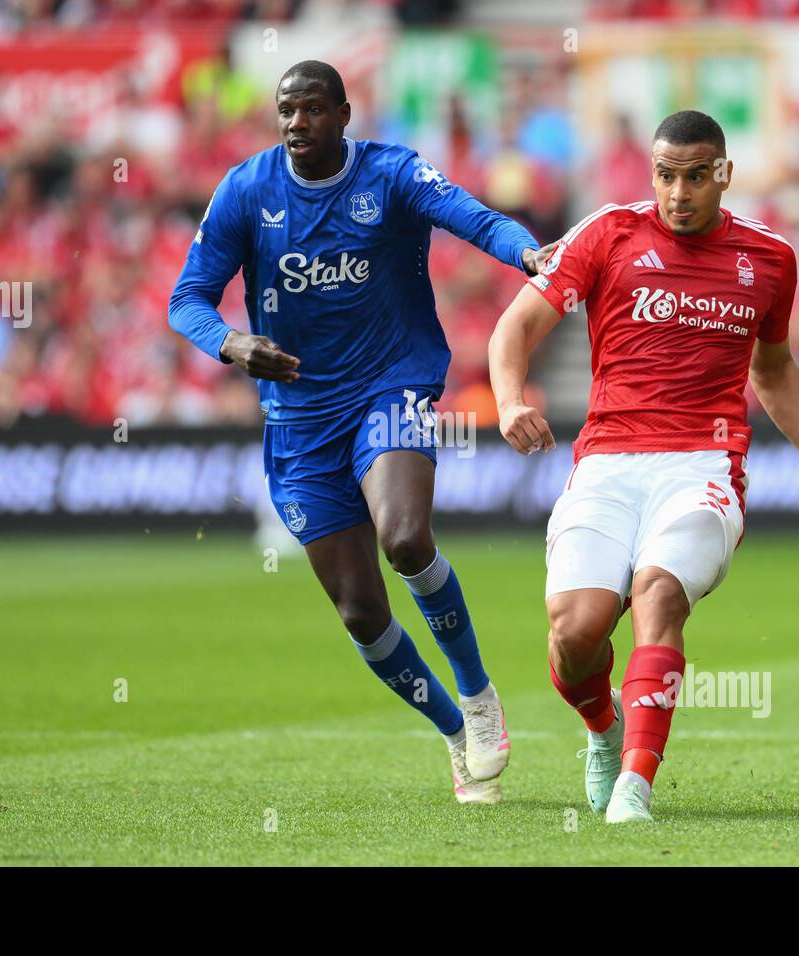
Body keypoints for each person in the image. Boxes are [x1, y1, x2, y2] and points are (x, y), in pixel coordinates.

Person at [488, 110, 799, 823]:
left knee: (658, 595)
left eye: (697, 176)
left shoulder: (769, 258)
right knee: (575, 634)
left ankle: (635, 787)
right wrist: (507, 399)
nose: (679, 193)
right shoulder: (606, 232)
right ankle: (603, 730)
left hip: (704, 462)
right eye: (667, 176)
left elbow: (772, 369)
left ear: (725, 174)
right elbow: (516, 325)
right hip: (608, 463)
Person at [169, 60, 555, 804]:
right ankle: (451, 729)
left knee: (405, 536)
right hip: (299, 417)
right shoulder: (246, 191)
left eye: (312, 109)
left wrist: (527, 254)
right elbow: (187, 298)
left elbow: (474, 218)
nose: (296, 123)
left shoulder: (392, 174)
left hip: (391, 383)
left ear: (345, 115)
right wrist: (231, 343)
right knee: (360, 610)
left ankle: (477, 695)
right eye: (286, 110)